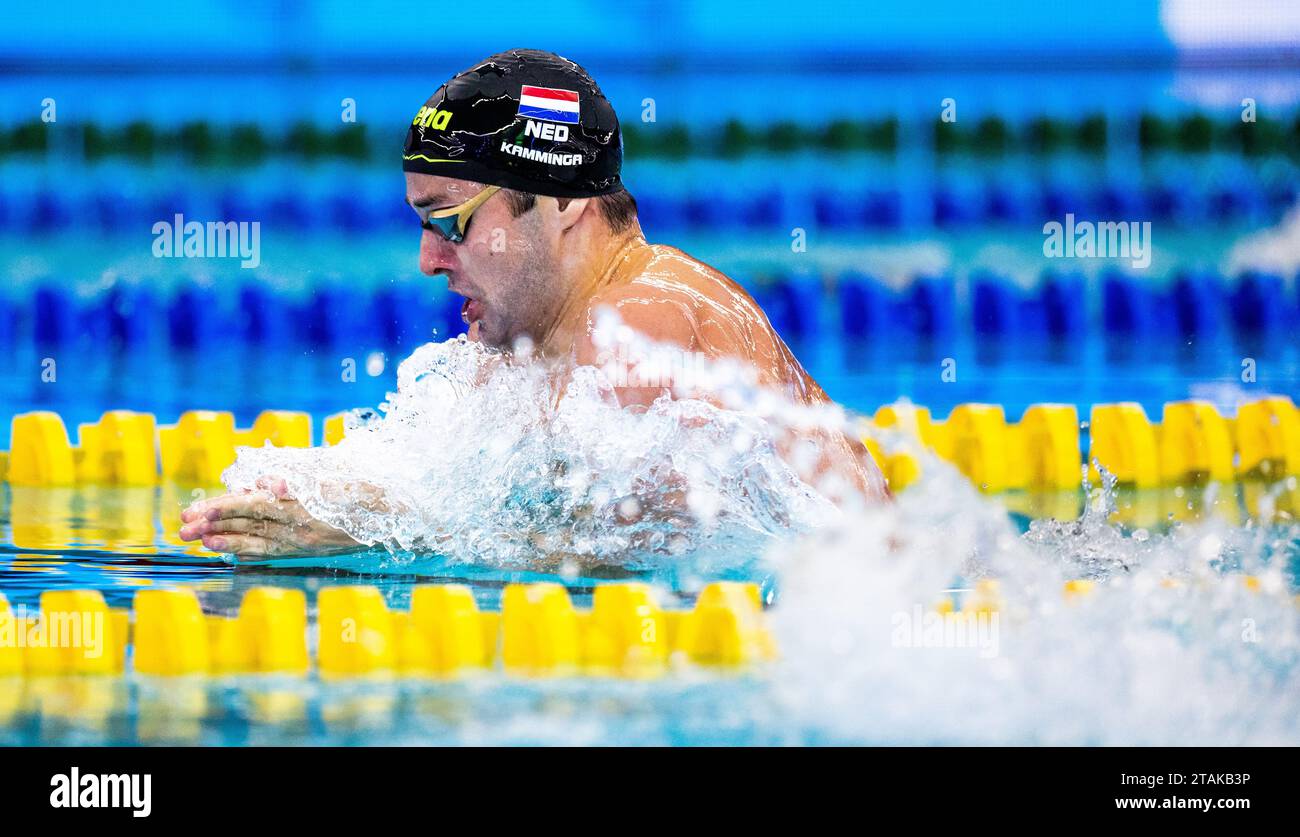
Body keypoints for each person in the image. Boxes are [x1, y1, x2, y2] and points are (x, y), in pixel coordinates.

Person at [179, 49, 888, 558]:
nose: (427, 260)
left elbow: (612, 546)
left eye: (450, 222)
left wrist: (360, 525)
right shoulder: (530, 341)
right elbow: (474, 489)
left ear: (560, 204)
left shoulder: (638, 321)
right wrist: (309, 495)